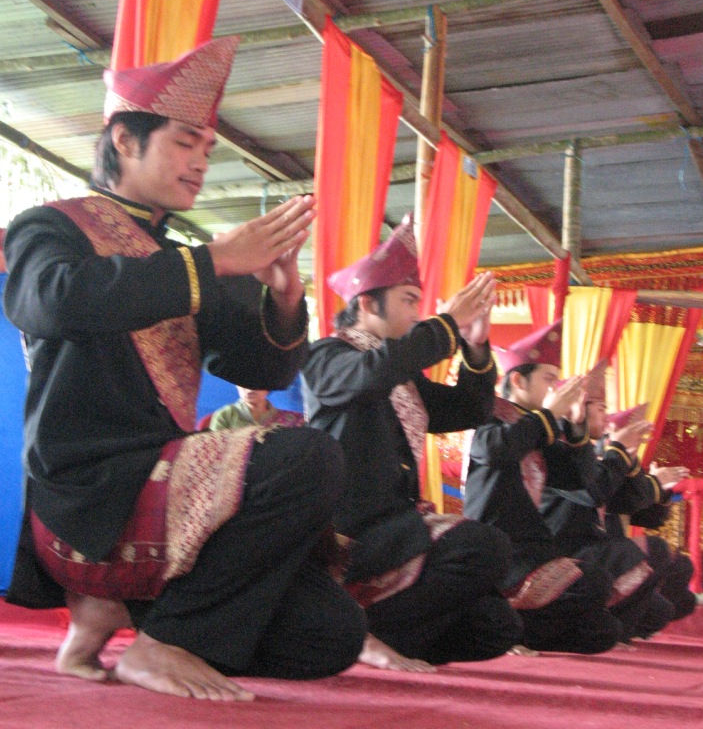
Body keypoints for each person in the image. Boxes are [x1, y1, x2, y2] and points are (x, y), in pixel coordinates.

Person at [2, 37, 365, 701]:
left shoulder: (190, 259)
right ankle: (167, 643)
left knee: (329, 635)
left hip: (166, 482)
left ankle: (134, 618)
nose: (200, 163)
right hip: (87, 486)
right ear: (125, 139)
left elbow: (264, 368)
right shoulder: (49, 228)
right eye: (185, 143)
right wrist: (211, 264)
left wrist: (285, 296)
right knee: (310, 455)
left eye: (207, 150)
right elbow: (51, 302)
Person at [303, 216, 522, 672]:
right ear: (367, 303)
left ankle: (360, 631)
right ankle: (360, 633)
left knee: (495, 625)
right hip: (350, 535)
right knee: (486, 546)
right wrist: (446, 325)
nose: (416, 313)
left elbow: (470, 410)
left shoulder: (402, 375)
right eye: (408, 301)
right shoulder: (329, 355)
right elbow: (372, 375)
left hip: (397, 529)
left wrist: (476, 349)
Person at [463, 321, 622, 654]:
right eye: (548, 379)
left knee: (602, 631)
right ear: (518, 380)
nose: (554, 389)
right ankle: (502, 627)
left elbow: (585, 486)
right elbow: (497, 449)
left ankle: (513, 629)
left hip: (531, 547)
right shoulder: (489, 416)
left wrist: (577, 430)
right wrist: (548, 415)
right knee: (594, 583)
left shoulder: (539, 428)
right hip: (493, 543)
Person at [539, 362, 676, 642]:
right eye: (599, 407)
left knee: (661, 610)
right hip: (561, 547)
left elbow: (633, 502)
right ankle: (609, 629)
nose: (605, 414)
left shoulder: (593, 454)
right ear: (578, 407)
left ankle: (608, 625)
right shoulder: (559, 448)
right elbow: (594, 492)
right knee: (647, 552)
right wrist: (619, 450)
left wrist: (631, 458)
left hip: (591, 546)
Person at [598, 405, 695, 633]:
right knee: (657, 551)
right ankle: (619, 626)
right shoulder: (601, 461)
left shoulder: (629, 465)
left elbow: (650, 518)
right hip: (598, 550)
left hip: (618, 551)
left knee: (681, 579)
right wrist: (653, 484)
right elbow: (622, 500)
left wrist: (662, 491)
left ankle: (624, 621)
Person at [209, 387, 304, 431]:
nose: (249, 389)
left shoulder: (291, 420)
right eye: (243, 383)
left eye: (256, 384)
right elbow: (215, 450)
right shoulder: (225, 416)